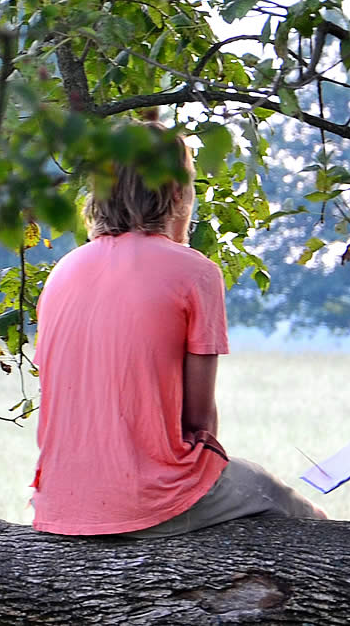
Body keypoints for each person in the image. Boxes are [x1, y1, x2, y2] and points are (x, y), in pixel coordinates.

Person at [29, 140, 321, 538]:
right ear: (178, 193)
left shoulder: (62, 271)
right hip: (148, 501)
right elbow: (200, 422)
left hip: (60, 505)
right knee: (280, 498)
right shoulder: (195, 272)